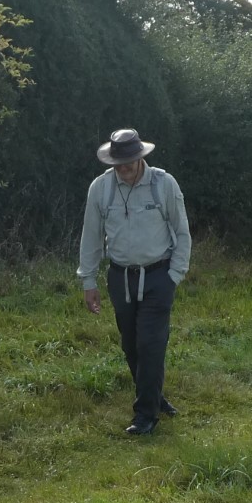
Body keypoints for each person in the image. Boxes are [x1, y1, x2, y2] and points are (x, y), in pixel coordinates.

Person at [78, 128, 192, 436]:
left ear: (140, 158)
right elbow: (91, 236)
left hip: (158, 277)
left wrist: (174, 275)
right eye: (118, 163)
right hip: (120, 278)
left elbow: (182, 231)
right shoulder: (100, 188)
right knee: (131, 345)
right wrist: (88, 280)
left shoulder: (164, 184)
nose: (123, 169)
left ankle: (145, 416)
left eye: (128, 162)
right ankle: (154, 397)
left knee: (150, 344)